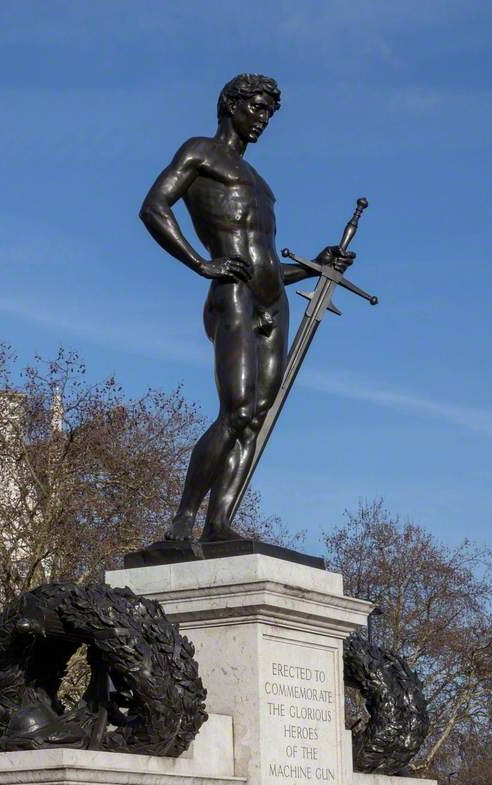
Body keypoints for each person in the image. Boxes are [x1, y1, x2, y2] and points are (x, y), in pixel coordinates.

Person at [139, 73, 355, 543]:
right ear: (230, 104)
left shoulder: (261, 183)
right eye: (256, 108)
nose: (263, 120)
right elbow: (154, 207)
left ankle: (219, 524)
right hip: (231, 293)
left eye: (269, 113)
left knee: (257, 413)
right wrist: (200, 262)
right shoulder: (200, 151)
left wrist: (317, 267)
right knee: (235, 410)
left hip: (272, 299)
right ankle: (182, 521)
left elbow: (268, 263)